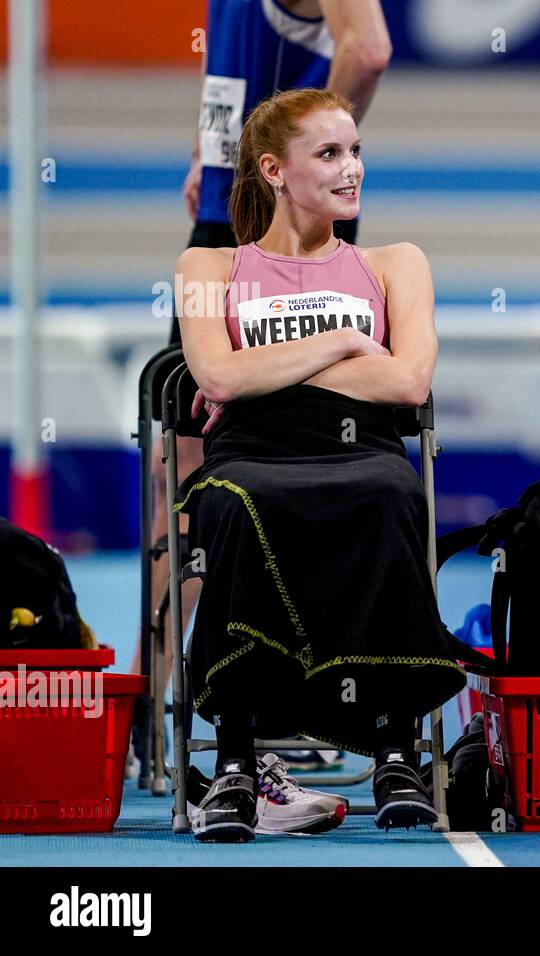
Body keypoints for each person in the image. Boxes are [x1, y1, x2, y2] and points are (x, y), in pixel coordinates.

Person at [174, 87, 477, 842]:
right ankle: (237, 761)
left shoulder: (395, 262)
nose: (352, 170)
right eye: (330, 154)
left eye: (357, 152)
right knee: (237, 503)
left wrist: (262, 366)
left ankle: (397, 750)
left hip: (362, 451)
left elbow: (407, 384)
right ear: (274, 170)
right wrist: (346, 344)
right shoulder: (207, 265)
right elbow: (216, 380)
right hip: (249, 456)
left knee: (389, 494)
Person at [140, 0, 392, 775]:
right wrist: (209, 151)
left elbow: (370, 49)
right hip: (236, 204)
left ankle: (166, 720)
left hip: (271, 221)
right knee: (208, 464)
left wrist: (302, 158)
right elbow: (232, 65)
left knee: (235, 465)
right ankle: (202, 714)